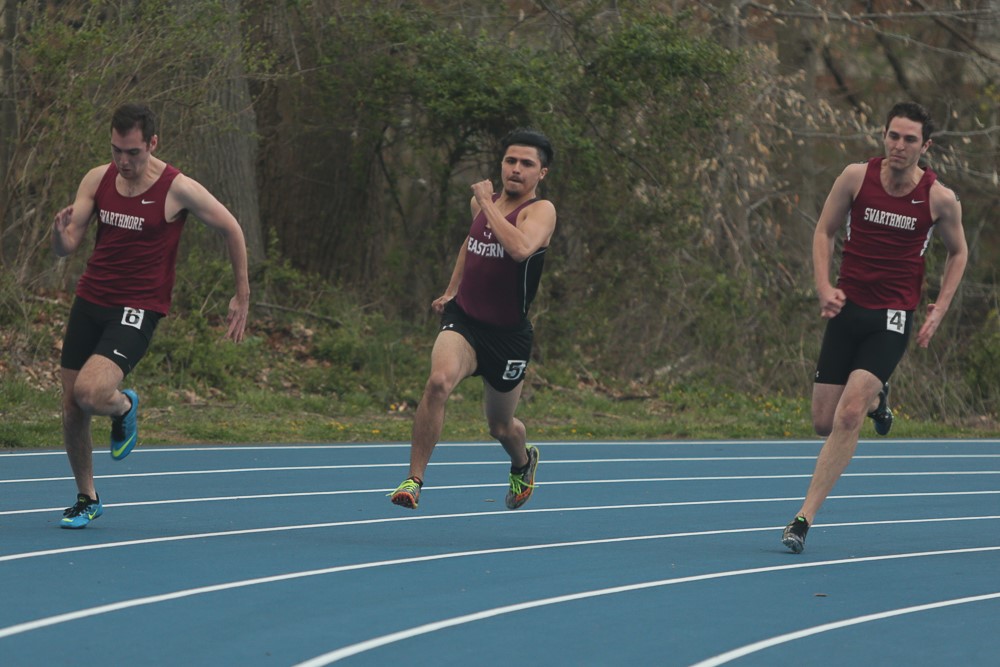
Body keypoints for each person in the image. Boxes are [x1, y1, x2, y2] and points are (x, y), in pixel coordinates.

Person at [52, 103, 250, 528]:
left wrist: (242, 295)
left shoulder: (177, 188)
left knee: (90, 392)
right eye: (117, 151)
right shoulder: (97, 178)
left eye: (134, 153)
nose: (124, 162)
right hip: (91, 299)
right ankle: (87, 497)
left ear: (152, 144)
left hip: (137, 308)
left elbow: (232, 228)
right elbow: (69, 244)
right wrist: (58, 235)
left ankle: (124, 406)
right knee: (72, 407)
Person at [782, 102, 968, 553]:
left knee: (849, 415)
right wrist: (824, 285)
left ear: (925, 146)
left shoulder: (939, 198)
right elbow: (824, 232)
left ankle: (802, 519)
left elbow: (958, 253)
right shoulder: (854, 177)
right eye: (893, 136)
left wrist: (939, 309)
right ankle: (881, 399)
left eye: (909, 139)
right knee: (824, 422)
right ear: (883, 136)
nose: (898, 145)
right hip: (848, 310)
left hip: (892, 317)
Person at [389, 129, 557, 511]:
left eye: (526, 164)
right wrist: (451, 289)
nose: (515, 170)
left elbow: (518, 249)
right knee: (438, 383)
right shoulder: (481, 206)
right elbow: (472, 242)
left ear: (541, 173)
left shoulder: (540, 211)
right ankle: (413, 480)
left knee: (500, 427)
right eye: (510, 161)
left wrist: (486, 202)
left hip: (508, 335)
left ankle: (522, 460)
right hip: (465, 319)